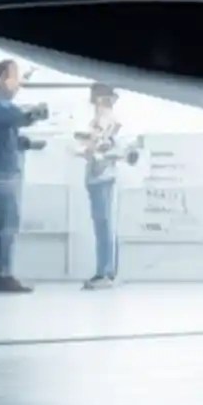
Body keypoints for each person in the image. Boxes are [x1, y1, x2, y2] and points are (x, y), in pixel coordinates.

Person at [0, 59, 47, 294]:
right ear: (0, 80)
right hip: (3, 174)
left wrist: (25, 143)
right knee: (5, 226)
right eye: (14, 77)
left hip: (4, 172)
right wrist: (38, 112)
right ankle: (1, 276)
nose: (17, 83)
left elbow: (5, 134)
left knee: (2, 225)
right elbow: (18, 117)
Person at [77, 83, 122, 290]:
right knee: (103, 225)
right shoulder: (102, 119)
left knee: (104, 225)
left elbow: (99, 145)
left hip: (102, 176)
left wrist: (87, 146)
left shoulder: (106, 119)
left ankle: (106, 272)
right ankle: (105, 270)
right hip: (99, 175)